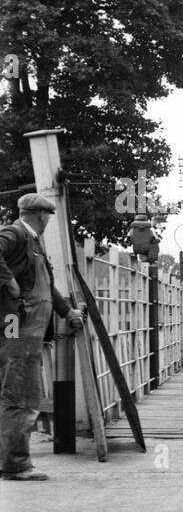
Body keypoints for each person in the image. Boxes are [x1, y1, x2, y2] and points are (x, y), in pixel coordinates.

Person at [0, 193, 85, 481]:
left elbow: (47, 287)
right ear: (41, 215)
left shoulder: (33, 241)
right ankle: (16, 465)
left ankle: (11, 460)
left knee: (15, 389)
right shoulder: (17, 233)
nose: (48, 220)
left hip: (18, 325)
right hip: (18, 325)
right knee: (20, 394)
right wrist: (8, 281)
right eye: (48, 216)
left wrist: (67, 312)